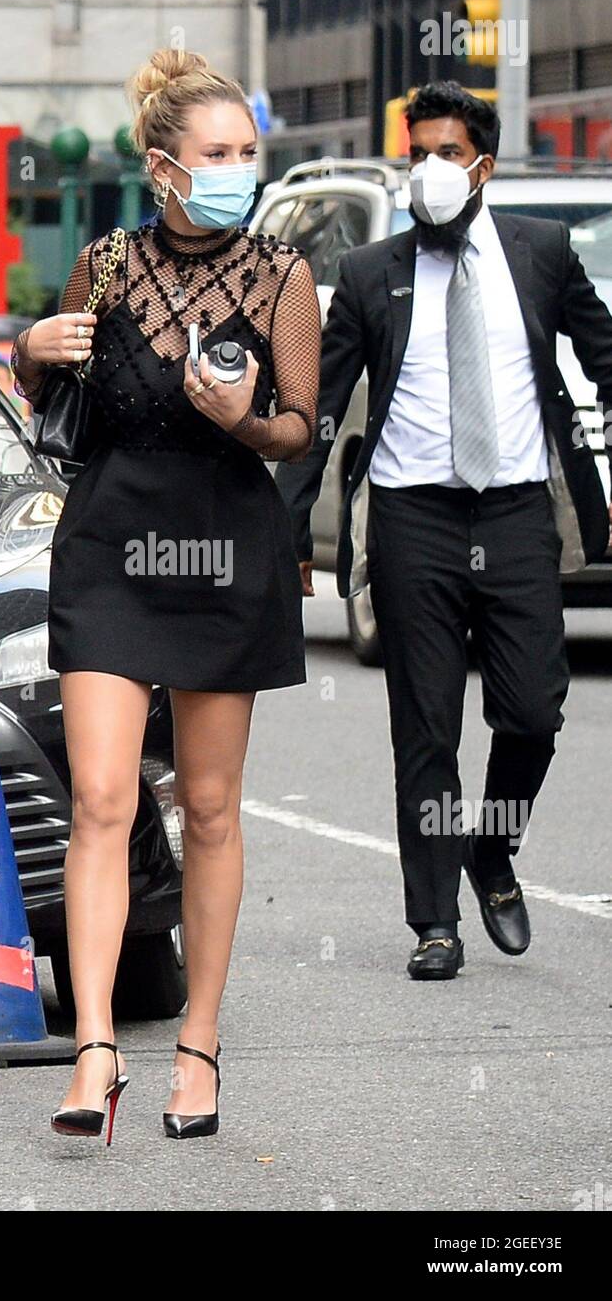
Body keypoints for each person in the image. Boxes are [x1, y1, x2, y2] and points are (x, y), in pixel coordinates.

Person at [11, 47, 321, 1137]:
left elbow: (299, 427)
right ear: (163, 167)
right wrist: (29, 345)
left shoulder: (281, 277)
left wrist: (244, 420)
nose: (240, 167)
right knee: (100, 798)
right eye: (221, 152)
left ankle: (197, 1044)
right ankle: (95, 1047)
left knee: (208, 806)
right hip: (108, 546)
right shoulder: (101, 265)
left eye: (250, 151)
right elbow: (50, 393)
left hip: (224, 553)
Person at [276, 81, 612, 980]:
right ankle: (435, 923)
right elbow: (318, 405)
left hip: (512, 513)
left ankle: (491, 851)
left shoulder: (541, 254)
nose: (431, 168)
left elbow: (603, 353)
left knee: (534, 711)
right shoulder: (368, 270)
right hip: (413, 519)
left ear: (484, 167)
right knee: (425, 725)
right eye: (418, 151)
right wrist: (280, 530)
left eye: (448, 153)